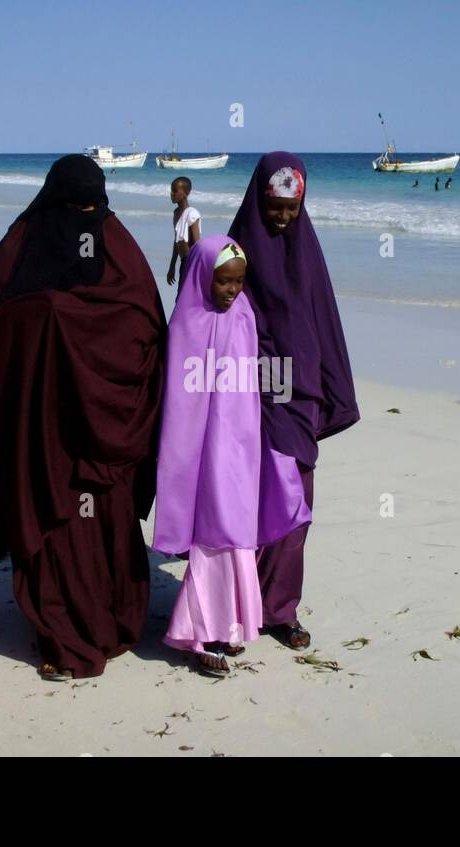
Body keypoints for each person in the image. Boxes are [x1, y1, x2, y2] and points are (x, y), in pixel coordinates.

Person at [0, 155, 167, 681]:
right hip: (47, 432)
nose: (86, 214)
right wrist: (48, 324)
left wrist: (68, 328)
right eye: (75, 204)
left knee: (104, 525)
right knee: (61, 529)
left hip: (106, 439)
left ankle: (114, 621)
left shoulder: (116, 244)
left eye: (93, 204)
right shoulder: (22, 245)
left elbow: (147, 323)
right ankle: (66, 635)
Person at [227, 152, 359, 651]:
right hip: (243, 394)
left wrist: (327, 388)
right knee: (241, 503)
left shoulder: (308, 254)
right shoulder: (235, 248)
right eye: (274, 207)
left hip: (294, 397)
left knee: (294, 503)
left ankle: (280, 609)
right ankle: (236, 607)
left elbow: (323, 323)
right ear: (258, 198)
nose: (282, 218)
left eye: (291, 209)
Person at [155, 236, 263, 677]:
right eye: (223, 281)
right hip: (200, 451)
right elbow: (181, 402)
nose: (232, 290)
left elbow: (250, 385)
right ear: (202, 276)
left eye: (238, 282)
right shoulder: (187, 323)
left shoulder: (244, 317)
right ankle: (199, 632)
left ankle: (231, 622)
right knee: (211, 532)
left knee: (235, 526)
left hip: (238, 445)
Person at [166, 176, 200, 288]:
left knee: (184, 297)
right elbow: (177, 241)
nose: (172, 194)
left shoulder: (192, 214)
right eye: (171, 190)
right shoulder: (176, 213)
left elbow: (197, 244)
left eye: (175, 191)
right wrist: (172, 266)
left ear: (186, 193)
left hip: (190, 262)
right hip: (183, 262)